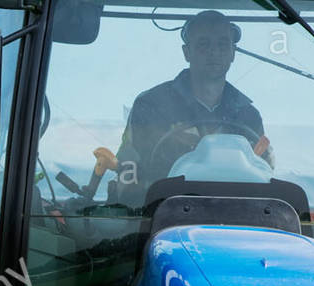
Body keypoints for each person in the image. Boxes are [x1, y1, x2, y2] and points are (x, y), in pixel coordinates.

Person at [115, 10, 269, 203]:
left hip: (236, 216)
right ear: (187, 52)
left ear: (233, 53)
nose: (215, 52)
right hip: (161, 216)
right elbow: (129, 169)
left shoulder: (248, 115)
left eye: (222, 44)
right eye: (204, 45)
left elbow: (263, 177)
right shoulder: (151, 106)